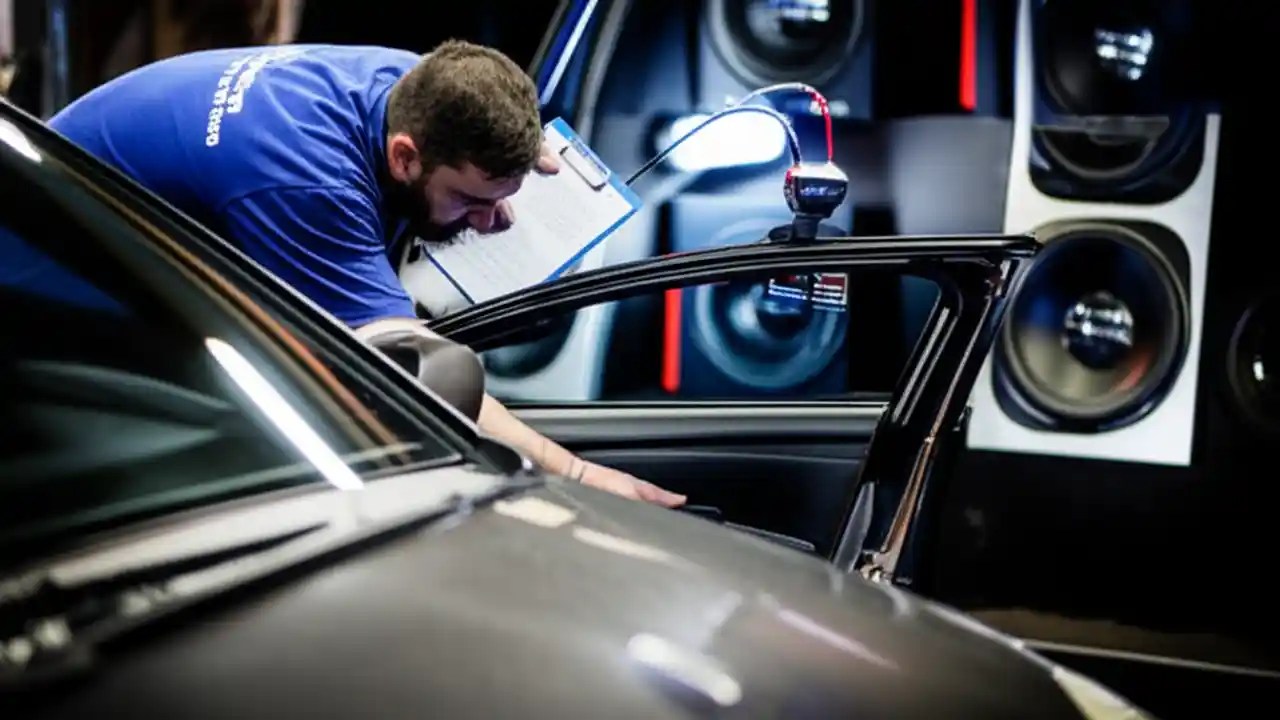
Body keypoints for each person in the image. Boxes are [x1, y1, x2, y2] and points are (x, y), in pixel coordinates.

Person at [47, 39, 686, 508]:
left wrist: (499, 175)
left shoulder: (410, 85)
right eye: (470, 201)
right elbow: (407, 375)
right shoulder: (309, 185)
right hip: (47, 306)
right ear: (404, 158)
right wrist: (577, 476)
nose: (490, 222)